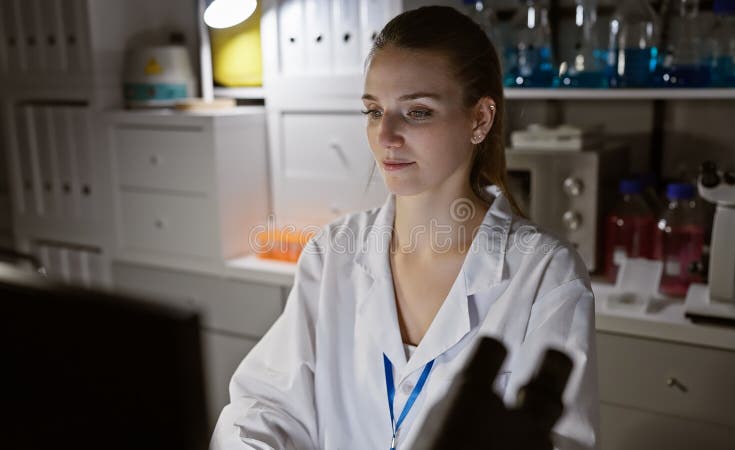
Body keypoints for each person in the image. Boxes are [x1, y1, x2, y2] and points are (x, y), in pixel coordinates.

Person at [211, 6, 598, 450]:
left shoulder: (546, 275)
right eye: (375, 111)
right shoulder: (334, 252)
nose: (386, 135)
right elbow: (264, 406)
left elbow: (561, 441)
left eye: (417, 112)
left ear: (480, 119)